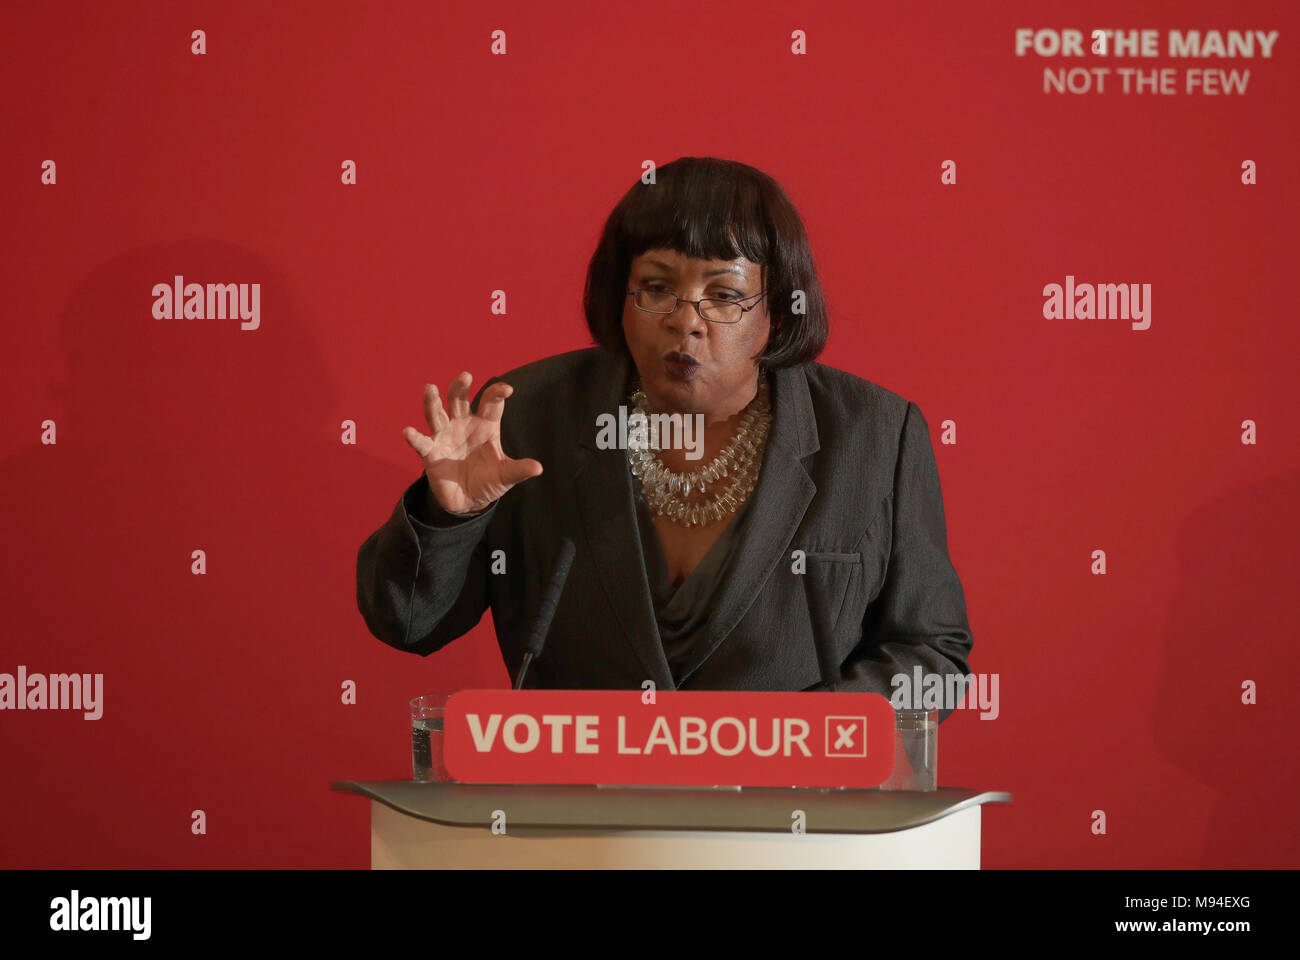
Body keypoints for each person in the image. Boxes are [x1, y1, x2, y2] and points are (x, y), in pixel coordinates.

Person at [356, 156, 974, 719]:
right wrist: (448, 520)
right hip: (576, 822)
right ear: (620, 297)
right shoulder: (524, 417)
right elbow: (407, 623)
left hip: (793, 823)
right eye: (657, 288)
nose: (686, 320)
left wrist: (803, 735)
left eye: (724, 295)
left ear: (778, 313)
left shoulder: (874, 435)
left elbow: (935, 660)